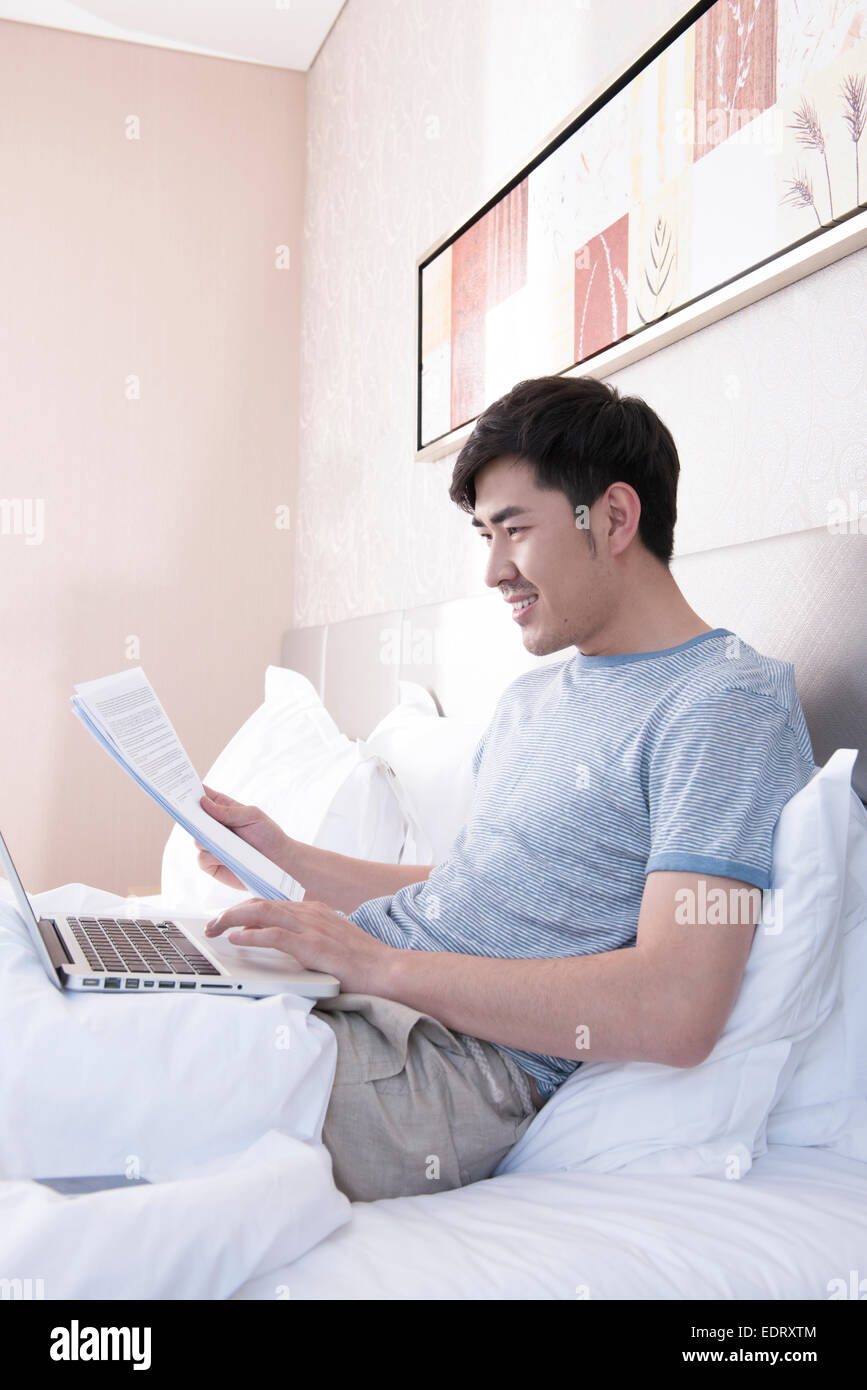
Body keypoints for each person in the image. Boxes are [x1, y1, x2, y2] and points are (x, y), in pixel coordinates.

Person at [196, 375, 815, 1203]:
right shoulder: (533, 699)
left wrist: (379, 965)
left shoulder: (725, 705)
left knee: (86, 1052)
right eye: (485, 535)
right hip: (354, 1001)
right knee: (65, 981)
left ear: (616, 518)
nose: (493, 570)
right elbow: (473, 895)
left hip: (440, 1063)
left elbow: (678, 1004)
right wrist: (285, 860)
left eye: (514, 530)